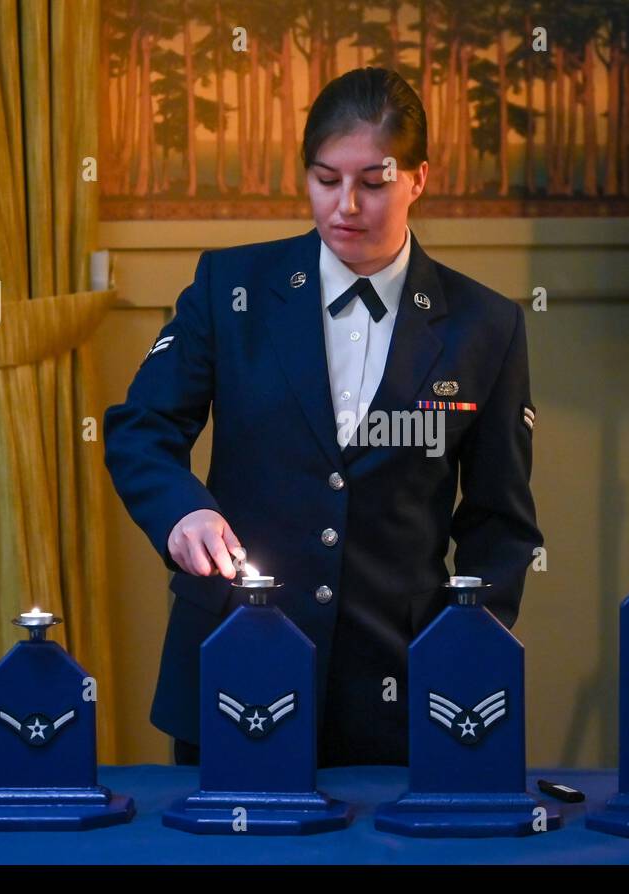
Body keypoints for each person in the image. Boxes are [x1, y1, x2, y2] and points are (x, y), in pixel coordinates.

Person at [103, 66, 541, 767]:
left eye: (373, 182)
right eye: (324, 179)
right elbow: (140, 428)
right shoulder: (229, 286)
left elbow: (500, 523)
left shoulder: (486, 325)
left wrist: (464, 651)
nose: (345, 205)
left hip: (399, 690)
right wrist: (182, 513)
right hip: (234, 664)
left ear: (418, 179)